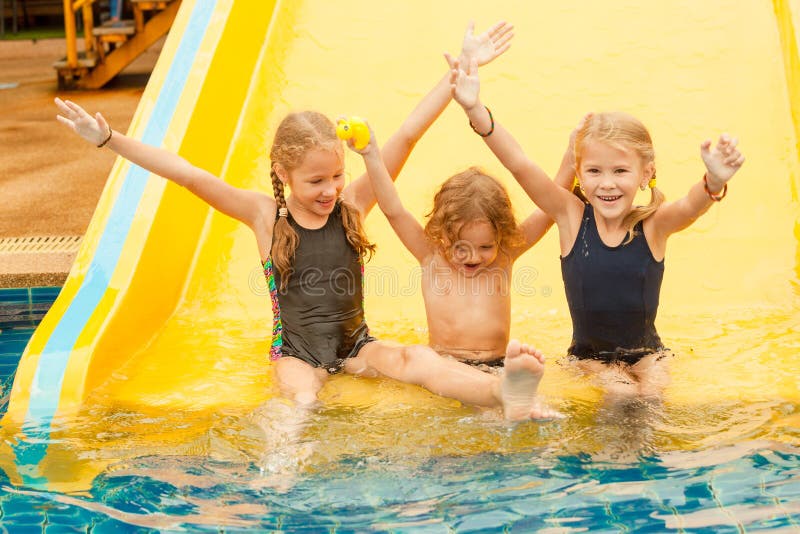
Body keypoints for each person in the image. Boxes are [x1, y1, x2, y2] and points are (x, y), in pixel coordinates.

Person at [54, 22, 554, 420]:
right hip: (294, 349)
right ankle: (283, 467)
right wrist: (108, 140)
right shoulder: (263, 214)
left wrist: (461, 74)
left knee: (417, 361)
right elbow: (187, 175)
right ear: (283, 173)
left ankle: (503, 393)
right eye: (316, 181)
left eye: (337, 175)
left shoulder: (353, 204)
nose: (330, 190)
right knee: (301, 400)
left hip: (355, 345)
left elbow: (406, 135)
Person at [447, 55, 745, 397]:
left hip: (648, 354)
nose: (607, 184)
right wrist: (476, 112)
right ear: (578, 170)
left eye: (620, 171)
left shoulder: (653, 225)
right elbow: (519, 164)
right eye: (594, 171)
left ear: (645, 173)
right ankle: (610, 453)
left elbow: (690, 207)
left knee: (654, 391)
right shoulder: (571, 218)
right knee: (621, 392)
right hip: (589, 358)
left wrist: (713, 181)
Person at [345, 114, 577, 371]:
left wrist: (571, 159)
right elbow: (393, 208)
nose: (473, 256)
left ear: (501, 236)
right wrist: (372, 156)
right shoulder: (430, 256)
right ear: (441, 232)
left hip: (496, 366)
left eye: (485, 247)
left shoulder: (504, 254)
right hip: (445, 367)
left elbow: (549, 210)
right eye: (460, 247)